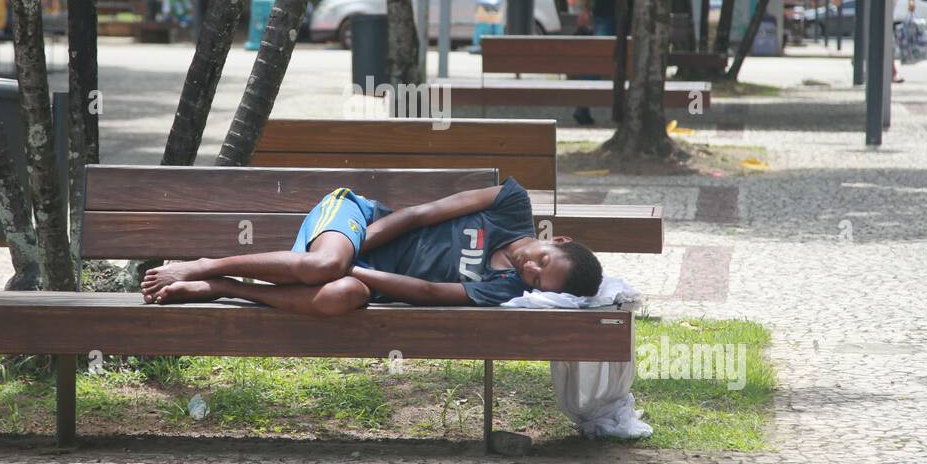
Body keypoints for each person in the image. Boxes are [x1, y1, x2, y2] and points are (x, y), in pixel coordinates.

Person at [140, 178, 605, 316]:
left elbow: (425, 293)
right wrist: (355, 254)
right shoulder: (511, 205)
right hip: (355, 220)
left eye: (539, 280)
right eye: (543, 260)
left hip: (359, 276)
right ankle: (204, 266)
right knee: (329, 263)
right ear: (556, 239)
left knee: (344, 294)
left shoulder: (504, 288)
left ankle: (230, 288)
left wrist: (356, 275)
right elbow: (422, 213)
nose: (530, 270)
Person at [574, 0, 621, 125]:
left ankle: (583, 106)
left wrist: (584, 7)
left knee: (597, 61)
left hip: (603, 10)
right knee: (630, 61)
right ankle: (624, 110)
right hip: (630, 13)